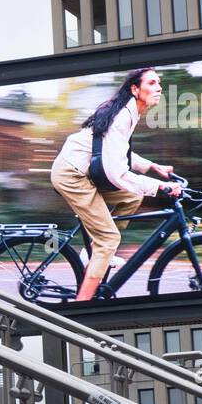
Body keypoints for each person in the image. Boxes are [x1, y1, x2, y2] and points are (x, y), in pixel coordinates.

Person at [50, 67, 180, 301]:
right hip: (72, 175)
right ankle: (82, 308)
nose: (158, 87)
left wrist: (152, 167)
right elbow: (117, 174)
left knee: (131, 197)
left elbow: (117, 153)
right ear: (135, 88)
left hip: (85, 171)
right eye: (151, 83)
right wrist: (160, 186)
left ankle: (94, 256)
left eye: (158, 83)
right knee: (108, 239)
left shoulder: (129, 112)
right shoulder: (122, 117)